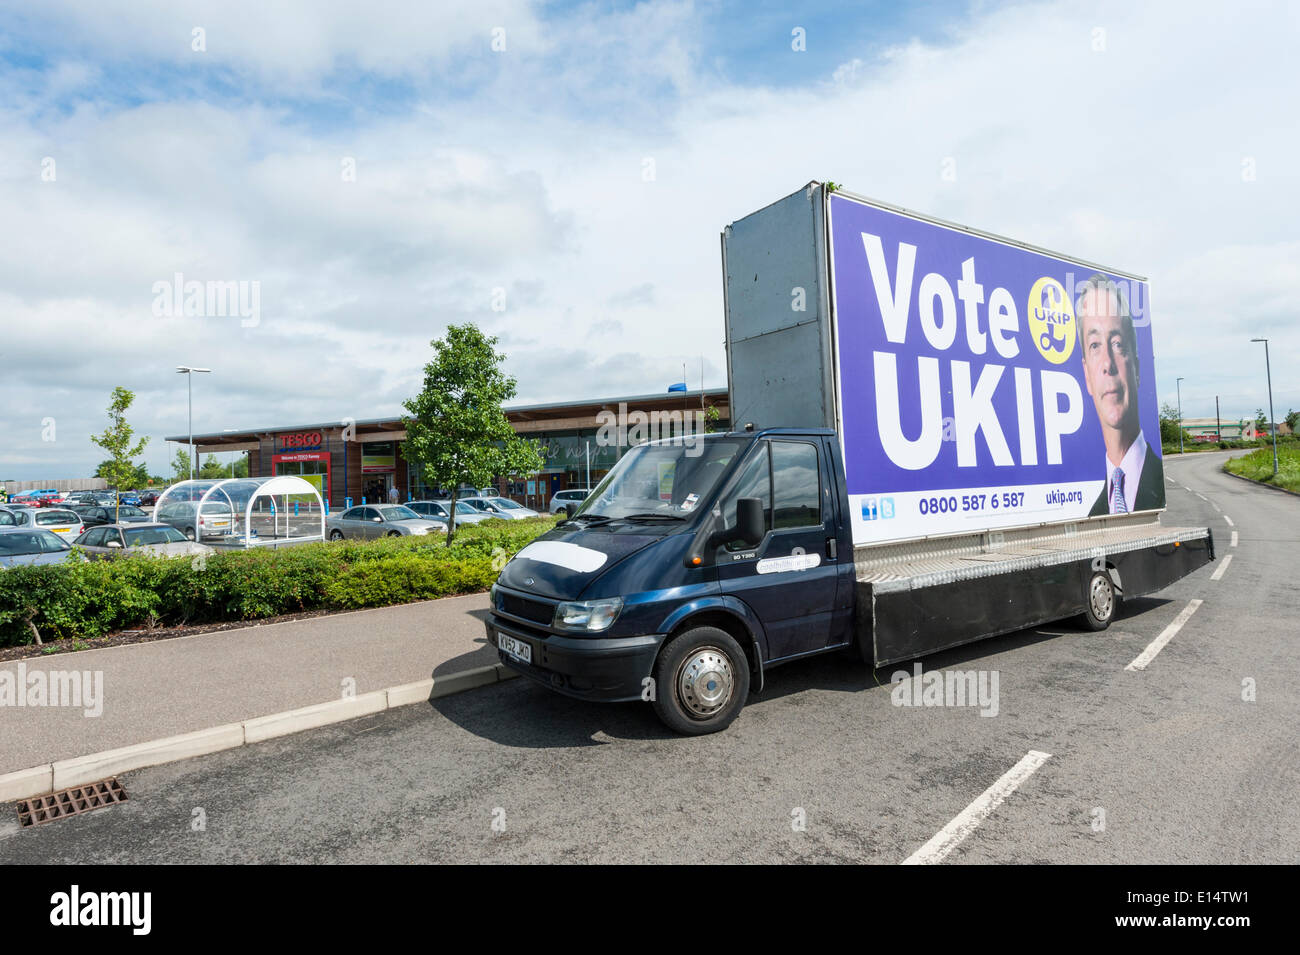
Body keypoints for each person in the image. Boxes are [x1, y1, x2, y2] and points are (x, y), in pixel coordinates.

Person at [1075, 274, 1164, 515]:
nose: (1107, 364)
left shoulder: (1158, 485)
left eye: (1117, 344)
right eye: (1095, 345)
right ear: (1087, 376)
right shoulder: (1094, 515)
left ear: (1136, 367)